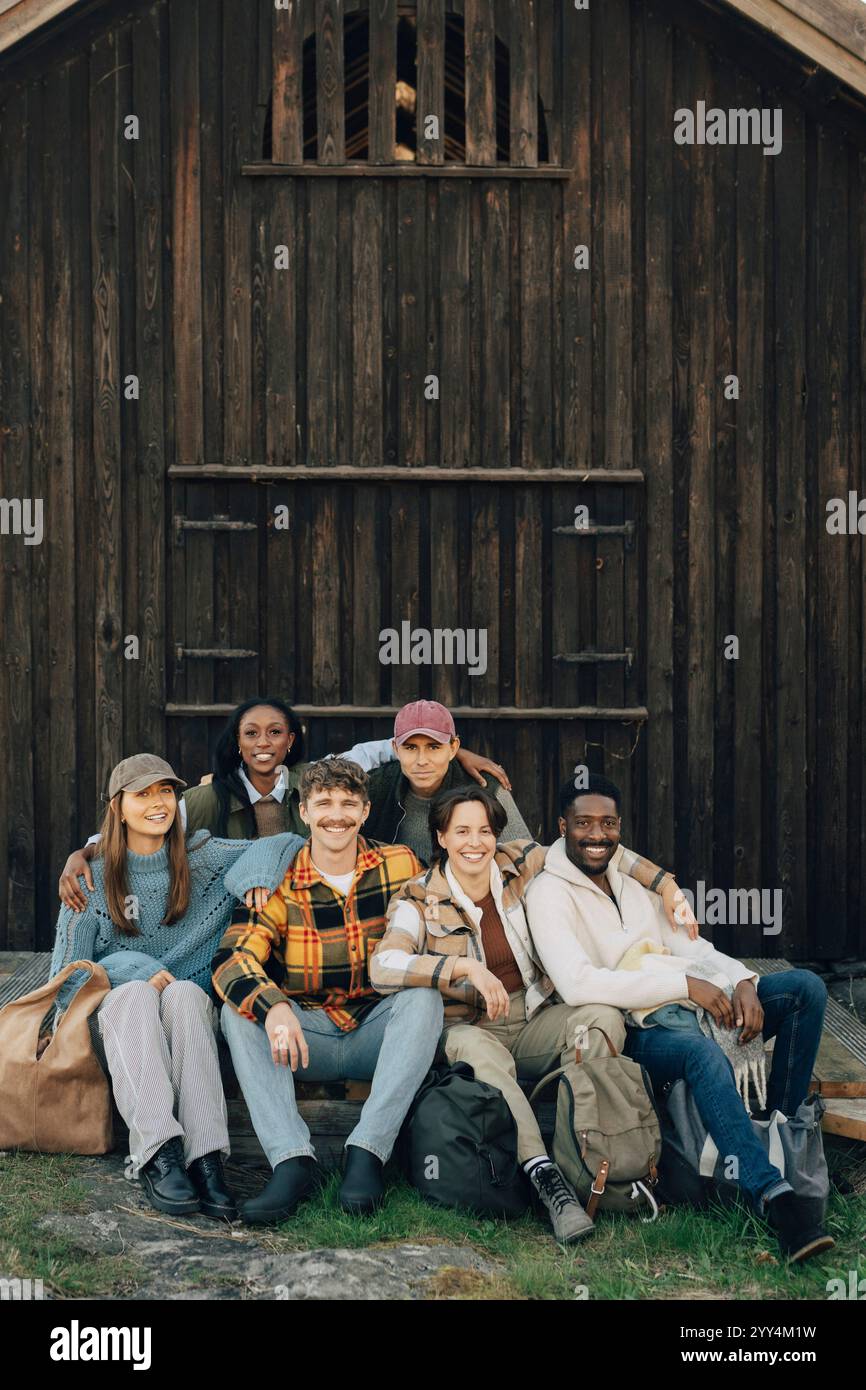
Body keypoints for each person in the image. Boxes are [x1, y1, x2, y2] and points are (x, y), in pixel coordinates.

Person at [524, 773, 834, 1263]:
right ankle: (773, 1196)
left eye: (607, 823)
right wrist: (684, 985)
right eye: (583, 823)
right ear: (563, 826)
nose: (596, 834)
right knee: (700, 1052)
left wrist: (744, 981)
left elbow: (694, 948)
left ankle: (782, 1134)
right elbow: (578, 983)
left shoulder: (637, 886)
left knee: (803, 990)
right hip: (630, 1029)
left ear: (620, 826)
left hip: (684, 1007)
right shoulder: (547, 893)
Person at [49, 754, 305, 1222]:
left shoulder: (202, 859)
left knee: (187, 993)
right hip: (117, 1030)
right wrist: (134, 967)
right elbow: (64, 984)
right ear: (118, 807)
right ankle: (157, 1152)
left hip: (184, 1020)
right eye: (142, 794)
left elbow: (287, 841)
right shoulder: (89, 878)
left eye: (165, 791)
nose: (157, 803)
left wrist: (253, 881)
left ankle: (205, 1159)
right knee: (137, 993)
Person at [371, 784, 620, 1243]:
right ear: (441, 837)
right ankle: (548, 1182)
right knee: (483, 1057)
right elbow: (382, 966)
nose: (475, 842)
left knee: (602, 1019)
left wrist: (665, 887)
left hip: (534, 1017)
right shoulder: (417, 898)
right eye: (462, 830)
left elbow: (600, 853)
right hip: (468, 1028)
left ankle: (587, 1160)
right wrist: (461, 967)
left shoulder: (519, 861)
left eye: (485, 831)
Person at [212, 758, 444, 1225]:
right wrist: (275, 1007)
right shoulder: (278, 880)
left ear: (364, 811)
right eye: (323, 804)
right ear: (304, 811)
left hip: (378, 1031)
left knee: (424, 998)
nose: (335, 815)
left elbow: (434, 931)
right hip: (305, 1034)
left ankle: (367, 1153)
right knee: (238, 1012)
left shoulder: (400, 865)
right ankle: (292, 1160)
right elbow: (231, 960)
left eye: (347, 804)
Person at [58, 697, 507, 909]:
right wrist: (86, 850)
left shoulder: (312, 781)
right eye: (251, 733)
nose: (263, 743)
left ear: (291, 740)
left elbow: (376, 751)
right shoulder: (209, 795)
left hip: (310, 906)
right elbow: (148, 821)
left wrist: (454, 752)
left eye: (275, 732)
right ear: (237, 741)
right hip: (239, 911)